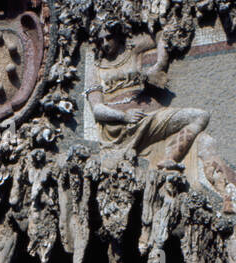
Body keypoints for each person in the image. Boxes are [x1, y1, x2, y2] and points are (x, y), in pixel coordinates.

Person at [87, 21, 208, 168]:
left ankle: (170, 159)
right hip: (120, 129)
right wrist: (124, 116)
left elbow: (160, 33)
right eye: (100, 41)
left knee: (200, 116)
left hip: (151, 117)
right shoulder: (95, 69)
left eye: (108, 38)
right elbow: (97, 109)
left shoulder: (133, 50)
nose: (105, 43)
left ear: (118, 35)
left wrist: (160, 64)